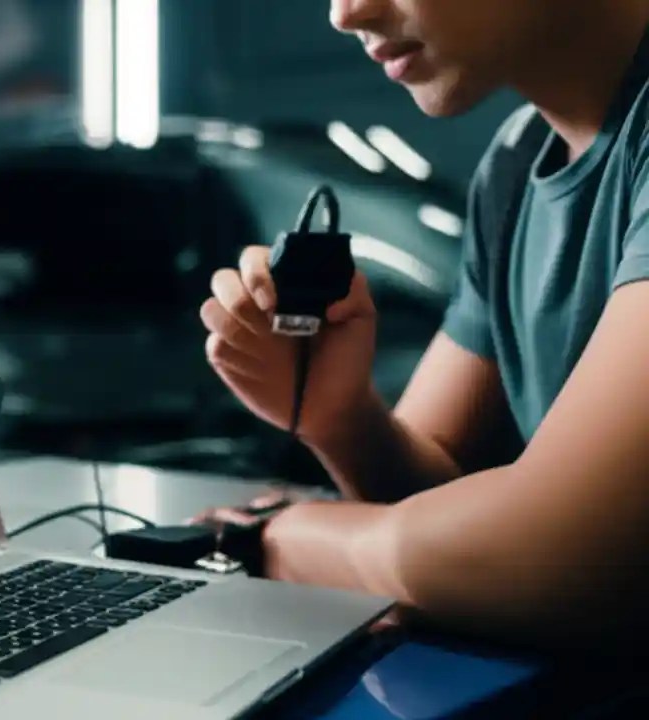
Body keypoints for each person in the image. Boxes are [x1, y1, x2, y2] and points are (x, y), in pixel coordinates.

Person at [194, 0, 649, 654]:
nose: (346, 14)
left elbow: (555, 555)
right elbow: (443, 501)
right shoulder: (517, 165)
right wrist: (340, 418)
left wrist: (283, 540)